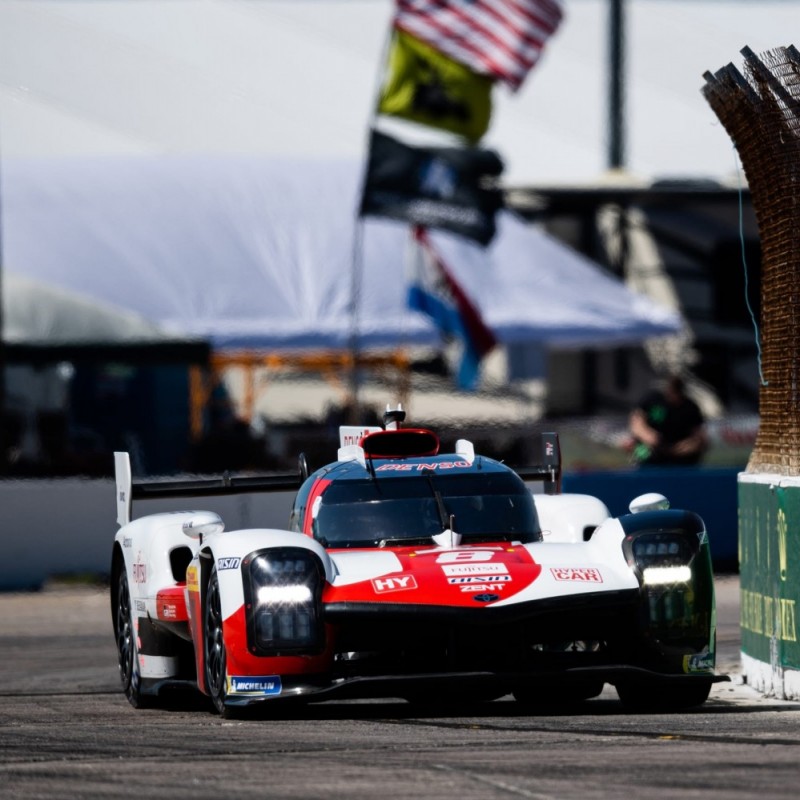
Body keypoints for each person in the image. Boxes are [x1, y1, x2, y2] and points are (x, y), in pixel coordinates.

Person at [629, 375, 708, 466]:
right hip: (651, 447)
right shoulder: (652, 400)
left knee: (691, 458)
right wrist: (647, 435)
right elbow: (636, 423)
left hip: (679, 452)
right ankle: (640, 471)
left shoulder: (690, 407)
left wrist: (690, 445)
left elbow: (700, 436)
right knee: (641, 452)